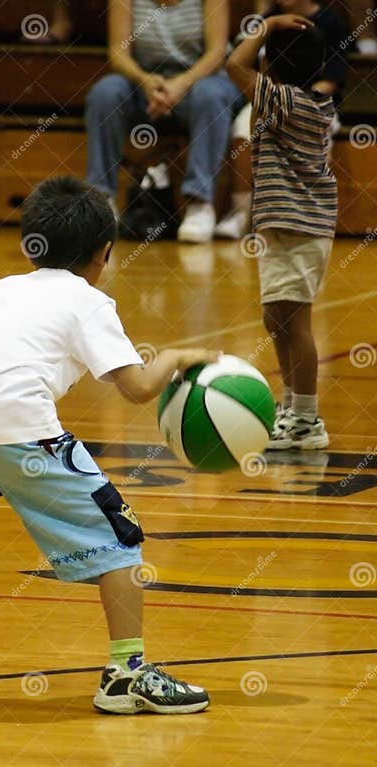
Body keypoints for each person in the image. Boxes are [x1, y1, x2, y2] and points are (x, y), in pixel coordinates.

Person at [0, 176, 217, 715]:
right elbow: (140, 388)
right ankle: (127, 673)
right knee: (121, 540)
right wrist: (175, 355)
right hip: (22, 427)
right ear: (104, 253)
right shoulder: (89, 301)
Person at [226, 14, 336, 449]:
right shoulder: (307, 102)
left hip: (296, 228)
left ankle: (308, 419)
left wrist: (266, 24)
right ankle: (293, 408)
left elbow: (234, 65)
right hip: (287, 228)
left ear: (273, 66)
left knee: (297, 321)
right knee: (277, 318)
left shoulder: (286, 101)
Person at [85, 0, 245, 243]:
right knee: (104, 93)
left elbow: (217, 53)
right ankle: (101, 201)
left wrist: (180, 84)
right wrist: (146, 81)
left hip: (199, 81)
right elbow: (117, 53)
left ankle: (199, 204)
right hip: (146, 84)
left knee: (211, 95)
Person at [216, 0, 350, 239]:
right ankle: (241, 213)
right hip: (320, 230)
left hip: (282, 228)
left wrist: (269, 25)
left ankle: (273, 210)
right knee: (243, 131)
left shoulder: (330, 22)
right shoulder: (316, 105)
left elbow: (236, 63)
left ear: (266, 65)